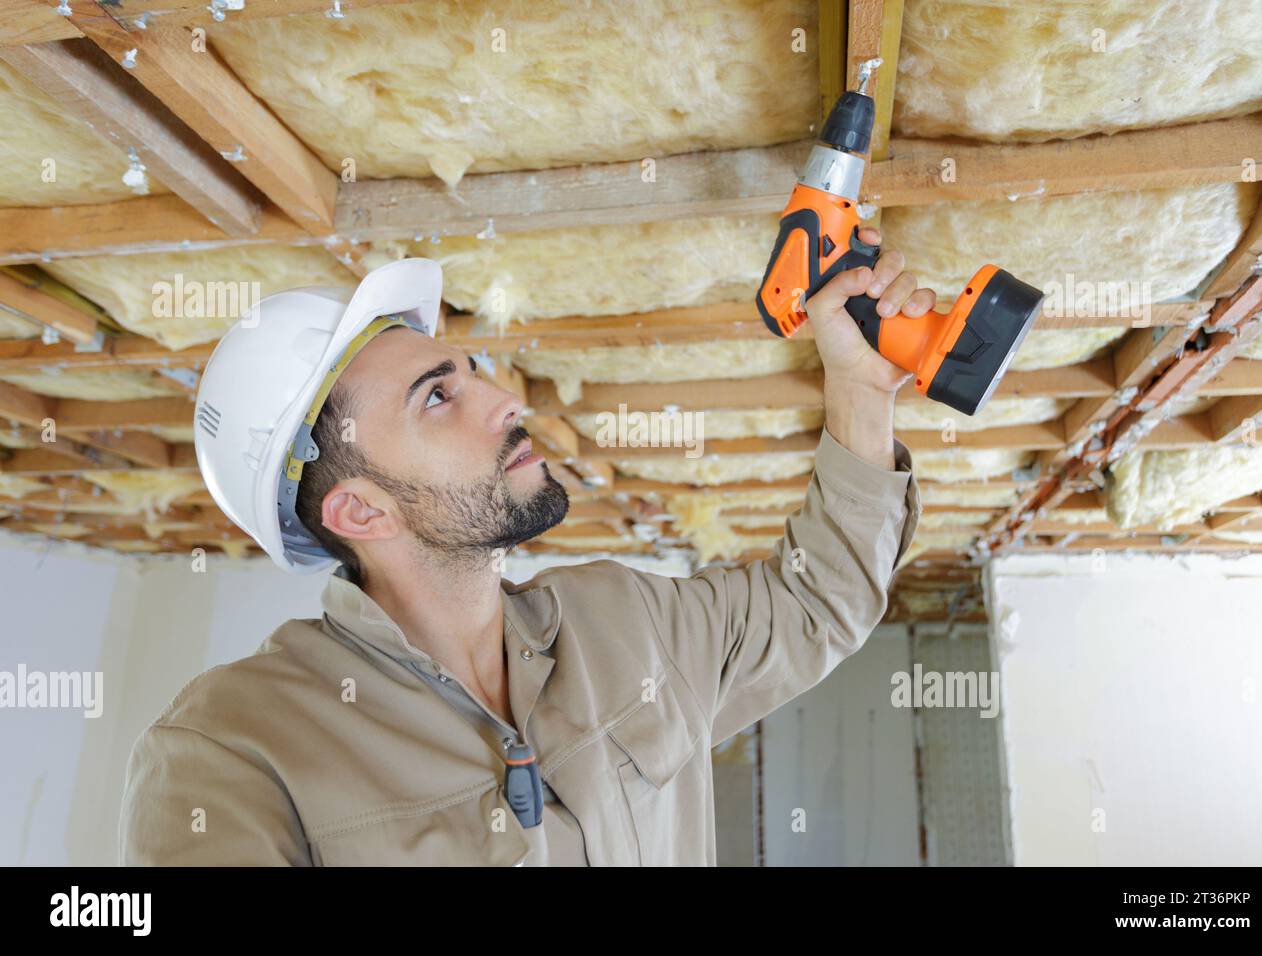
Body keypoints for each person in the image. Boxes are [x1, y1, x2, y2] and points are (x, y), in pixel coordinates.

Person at [119, 225, 926, 865]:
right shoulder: (234, 747)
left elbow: (820, 600)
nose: (506, 402)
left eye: (471, 374)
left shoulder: (628, 623)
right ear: (361, 513)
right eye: (438, 396)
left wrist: (857, 388)